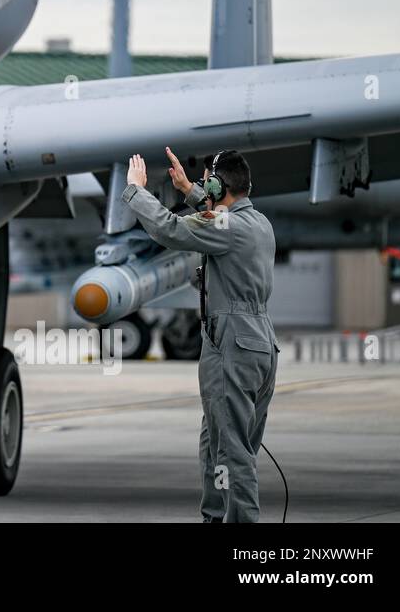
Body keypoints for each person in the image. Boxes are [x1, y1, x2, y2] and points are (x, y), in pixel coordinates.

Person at [123, 147, 278, 523]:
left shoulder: (231, 229)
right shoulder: (257, 223)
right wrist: (190, 190)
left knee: (231, 451)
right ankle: (214, 518)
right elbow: (218, 219)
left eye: (208, 179)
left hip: (232, 343)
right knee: (219, 443)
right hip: (256, 341)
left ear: (218, 184)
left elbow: (170, 229)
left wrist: (135, 191)